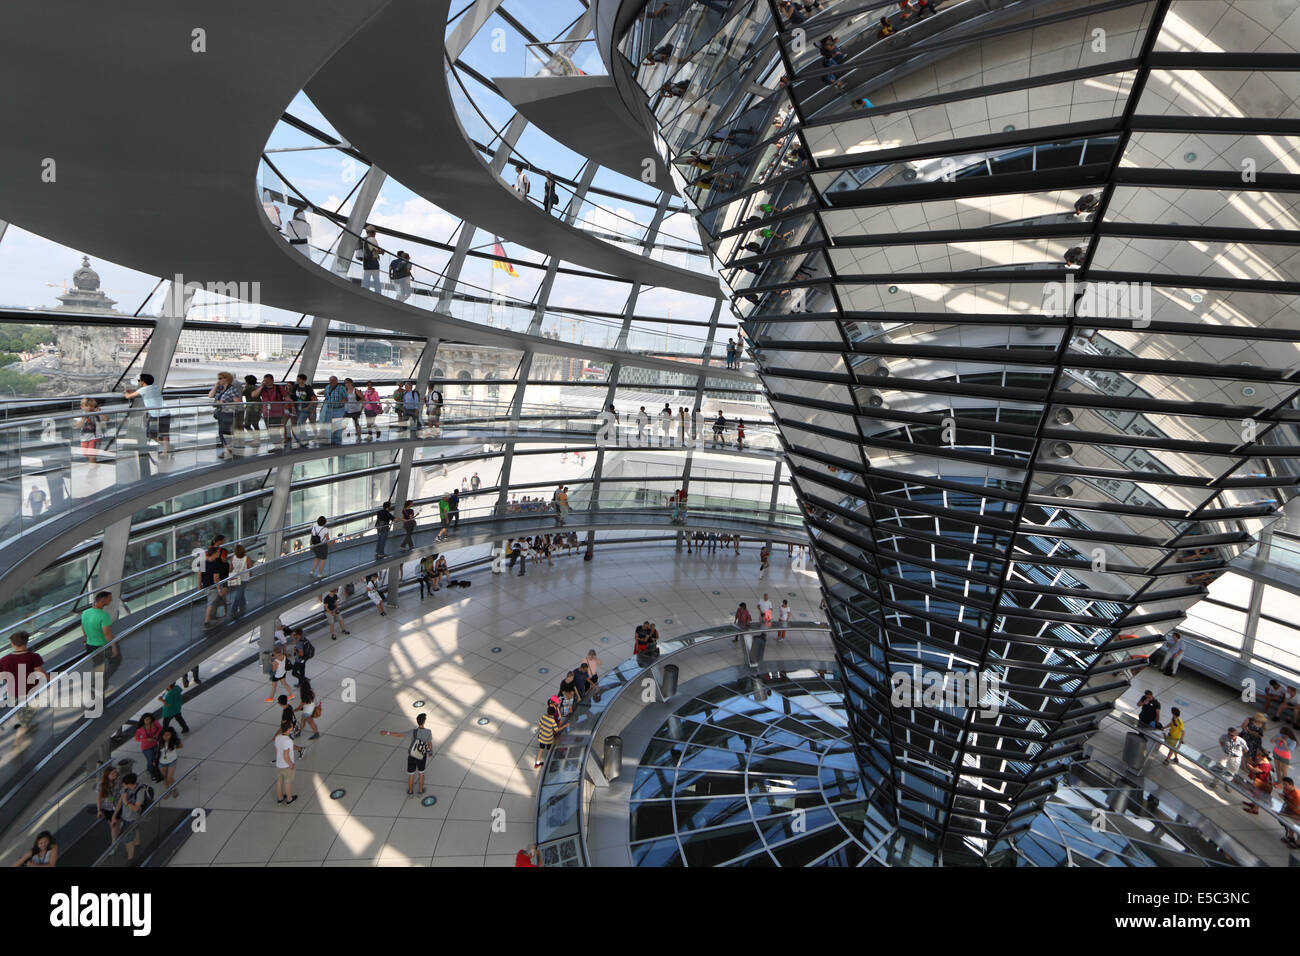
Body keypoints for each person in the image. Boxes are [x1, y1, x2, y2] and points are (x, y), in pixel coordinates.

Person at [124, 372, 173, 456]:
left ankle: (167, 447)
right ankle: (166, 450)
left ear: (143, 382)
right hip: (165, 412)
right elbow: (141, 392)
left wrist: (125, 391)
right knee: (165, 433)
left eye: (139, 380)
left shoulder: (143, 389)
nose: (139, 382)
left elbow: (128, 396)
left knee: (150, 434)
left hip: (155, 414)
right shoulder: (155, 387)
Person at [114, 774, 149, 861]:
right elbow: (119, 803)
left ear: (129, 784)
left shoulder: (140, 792)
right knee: (135, 830)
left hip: (133, 818)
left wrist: (126, 802)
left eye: (124, 784)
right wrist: (114, 815)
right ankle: (137, 843)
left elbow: (136, 808)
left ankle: (130, 857)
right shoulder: (125, 789)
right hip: (125, 817)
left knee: (127, 840)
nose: (122, 785)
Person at [209, 371, 243, 459]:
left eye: (220, 378)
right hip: (220, 413)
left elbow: (238, 401)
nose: (219, 380)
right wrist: (216, 385)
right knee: (221, 432)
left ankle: (227, 450)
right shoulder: (220, 388)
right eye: (218, 379)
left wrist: (224, 402)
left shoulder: (232, 389)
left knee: (224, 432)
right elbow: (210, 395)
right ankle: (227, 450)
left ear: (226, 379)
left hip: (228, 413)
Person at [81, 590, 117, 667]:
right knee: (114, 662)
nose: (111, 600)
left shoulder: (85, 612)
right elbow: (107, 634)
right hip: (101, 647)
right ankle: (101, 678)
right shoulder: (104, 615)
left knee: (97, 664)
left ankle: (99, 677)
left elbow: (84, 631)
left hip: (89, 645)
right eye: (109, 598)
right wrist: (113, 647)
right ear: (103, 600)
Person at [407, 712, 433, 794]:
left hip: (412, 755)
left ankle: (410, 792)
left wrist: (387, 733)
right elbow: (430, 744)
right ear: (424, 721)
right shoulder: (428, 732)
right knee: (421, 773)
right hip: (422, 755)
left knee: (411, 774)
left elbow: (399, 734)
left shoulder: (413, 731)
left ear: (417, 721)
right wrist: (430, 751)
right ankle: (420, 791)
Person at [534, 702, 566, 769]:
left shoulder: (543, 717)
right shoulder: (552, 721)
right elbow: (556, 730)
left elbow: (540, 725)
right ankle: (549, 764)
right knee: (549, 751)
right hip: (549, 739)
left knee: (541, 750)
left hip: (542, 737)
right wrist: (565, 726)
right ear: (554, 713)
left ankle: (537, 763)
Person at [273, 720, 297, 804]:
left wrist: (278, 760)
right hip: (286, 765)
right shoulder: (288, 741)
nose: (292, 727)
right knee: (287, 782)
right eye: (291, 726)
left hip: (279, 764)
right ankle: (289, 799)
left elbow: (276, 751)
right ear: (289, 729)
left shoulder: (277, 737)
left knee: (279, 781)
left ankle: (280, 798)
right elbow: (286, 755)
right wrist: (291, 764)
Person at [135, 712, 163, 782]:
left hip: (155, 744)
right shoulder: (140, 729)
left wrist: (156, 734)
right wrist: (146, 739)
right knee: (151, 760)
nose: (148, 721)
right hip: (146, 747)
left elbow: (160, 728)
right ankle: (152, 773)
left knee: (157, 758)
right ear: (143, 720)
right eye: (146, 720)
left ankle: (154, 769)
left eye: (149, 719)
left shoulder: (154, 723)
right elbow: (137, 738)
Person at [96, 768, 123, 841]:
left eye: (115, 772)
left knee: (114, 825)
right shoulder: (101, 785)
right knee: (112, 825)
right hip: (107, 808)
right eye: (112, 773)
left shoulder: (119, 781)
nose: (115, 774)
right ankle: (116, 836)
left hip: (118, 806)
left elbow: (122, 794)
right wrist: (99, 810)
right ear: (107, 776)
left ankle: (114, 843)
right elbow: (99, 798)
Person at [227, 543, 252, 618]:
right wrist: (250, 573)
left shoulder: (232, 558)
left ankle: (243, 603)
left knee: (240, 590)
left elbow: (230, 569)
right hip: (244, 578)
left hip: (236, 577)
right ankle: (233, 610)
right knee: (239, 593)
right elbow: (249, 568)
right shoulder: (247, 558)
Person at [157, 726, 183, 797]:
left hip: (172, 761)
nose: (166, 737)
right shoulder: (160, 741)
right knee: (164, 778)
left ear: (172, 735)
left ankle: (174, 789)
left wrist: (174, 747)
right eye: (164, 735)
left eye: (168, 735)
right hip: (162, 762)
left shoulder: (175, 741)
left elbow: (180, 746)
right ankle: (167, 791)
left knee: (169, 778)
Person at [358, 224, 383, 293]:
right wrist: (382, 252)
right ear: (372, 232)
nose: (375, 233)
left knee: (366, 279)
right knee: (376, 279)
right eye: (375, 232)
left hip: (365, 262)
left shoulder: (362, 239)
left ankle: (365, 292)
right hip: (373, 261)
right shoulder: (372, 239)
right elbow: (376, 251)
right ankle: (378, 293)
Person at [240, 375, 263, 446]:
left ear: (247, 381)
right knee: (255, 424)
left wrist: (244, 387)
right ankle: (257, 440)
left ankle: (256, 440)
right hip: (259, 407)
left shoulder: (248, 388)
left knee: (247, 425)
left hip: (251, 407)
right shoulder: (257, 387)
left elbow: (241, 393)